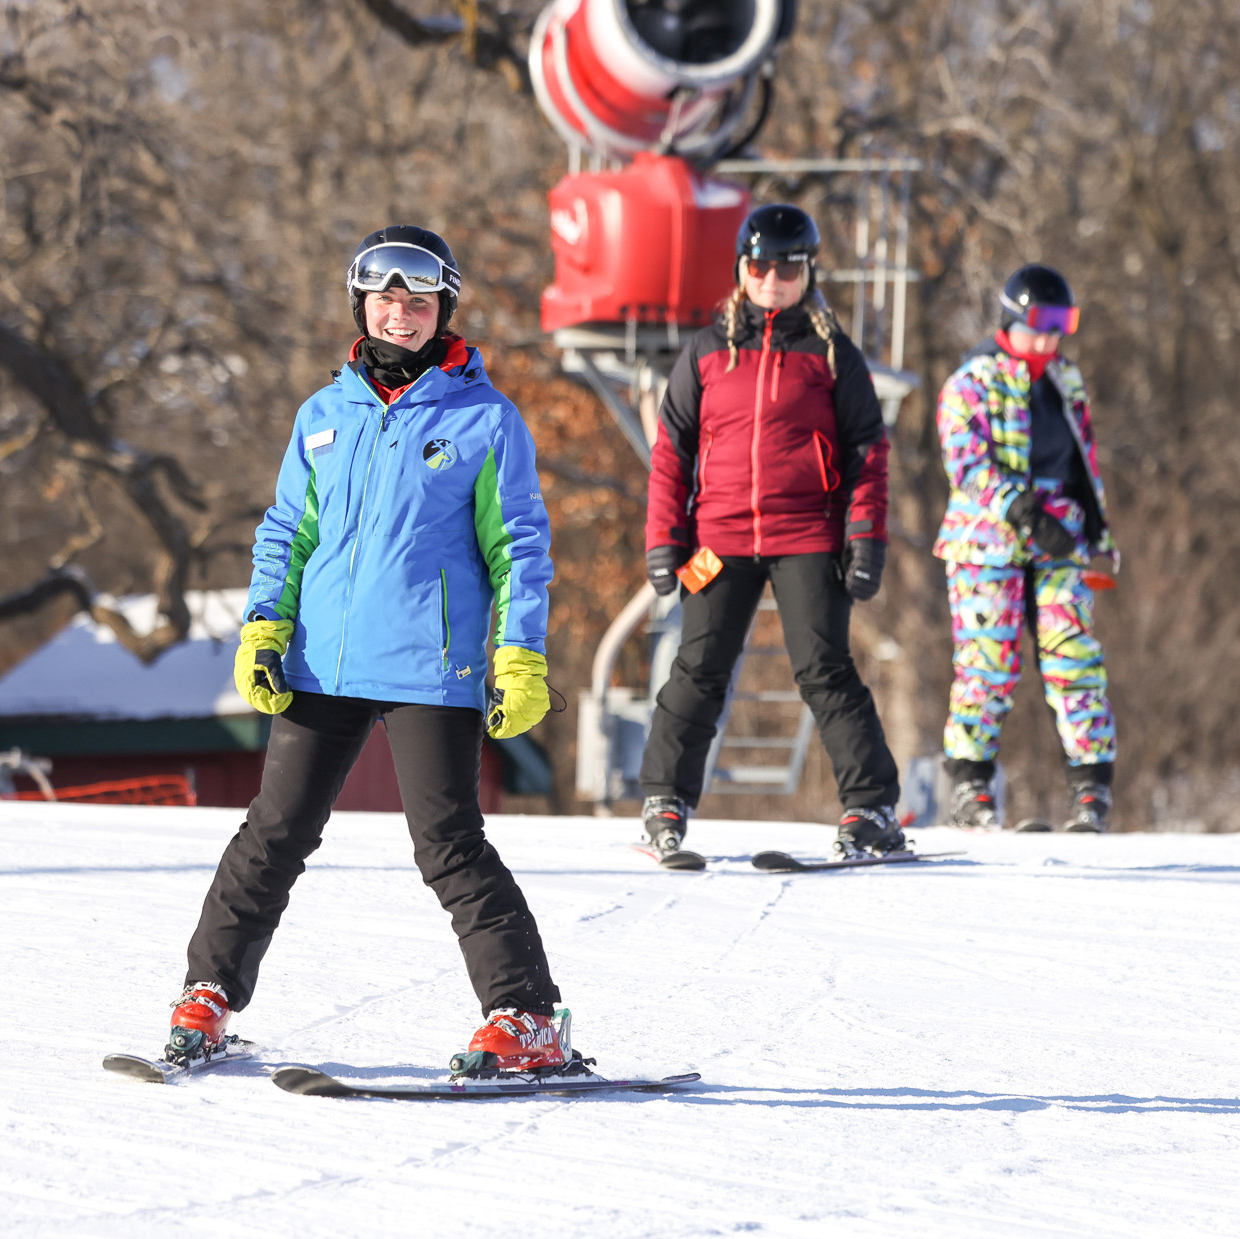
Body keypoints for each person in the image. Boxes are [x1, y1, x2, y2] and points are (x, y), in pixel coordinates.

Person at [167, 226, 566, 1072]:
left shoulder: (485, 420)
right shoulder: (323, 415)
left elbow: (519, 549)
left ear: (441, 310)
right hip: (323, 661)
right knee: (272, 832)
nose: (401, 312)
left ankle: (526, 1015)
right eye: (386, 297)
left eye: (418, 300)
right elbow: (286, 533)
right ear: (362, 305)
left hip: (433, 666)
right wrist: (265, 626)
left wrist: (518, 655)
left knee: (448, 844)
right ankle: (205, 997)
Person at [639, 203, 902, 860]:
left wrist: (864, 536)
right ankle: (664, 802)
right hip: (717, 539)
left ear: (808, 271)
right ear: (741, 268)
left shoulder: (832, 355)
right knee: (698, 667)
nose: (772, 278)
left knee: (824, 669)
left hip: (807, 534)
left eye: (788, 266)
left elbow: (869, 450)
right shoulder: (706, 352)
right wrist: (664, 538)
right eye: (759, 265)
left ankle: (871, 808)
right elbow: (671, 449)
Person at [935, 263, 1118, 832]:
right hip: (988, 538)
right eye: (1040, 324)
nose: (1050, 338)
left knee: (1073, 657)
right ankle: (971, 787)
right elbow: (966, 461)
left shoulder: (1065, 380)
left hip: (1060, 537)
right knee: (988, 662)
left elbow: (1083, 462)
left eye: (1062, 325)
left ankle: (1090, 789)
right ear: (1011, 319)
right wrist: (1021, 511)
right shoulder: (973, 380)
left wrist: (1098, 534)